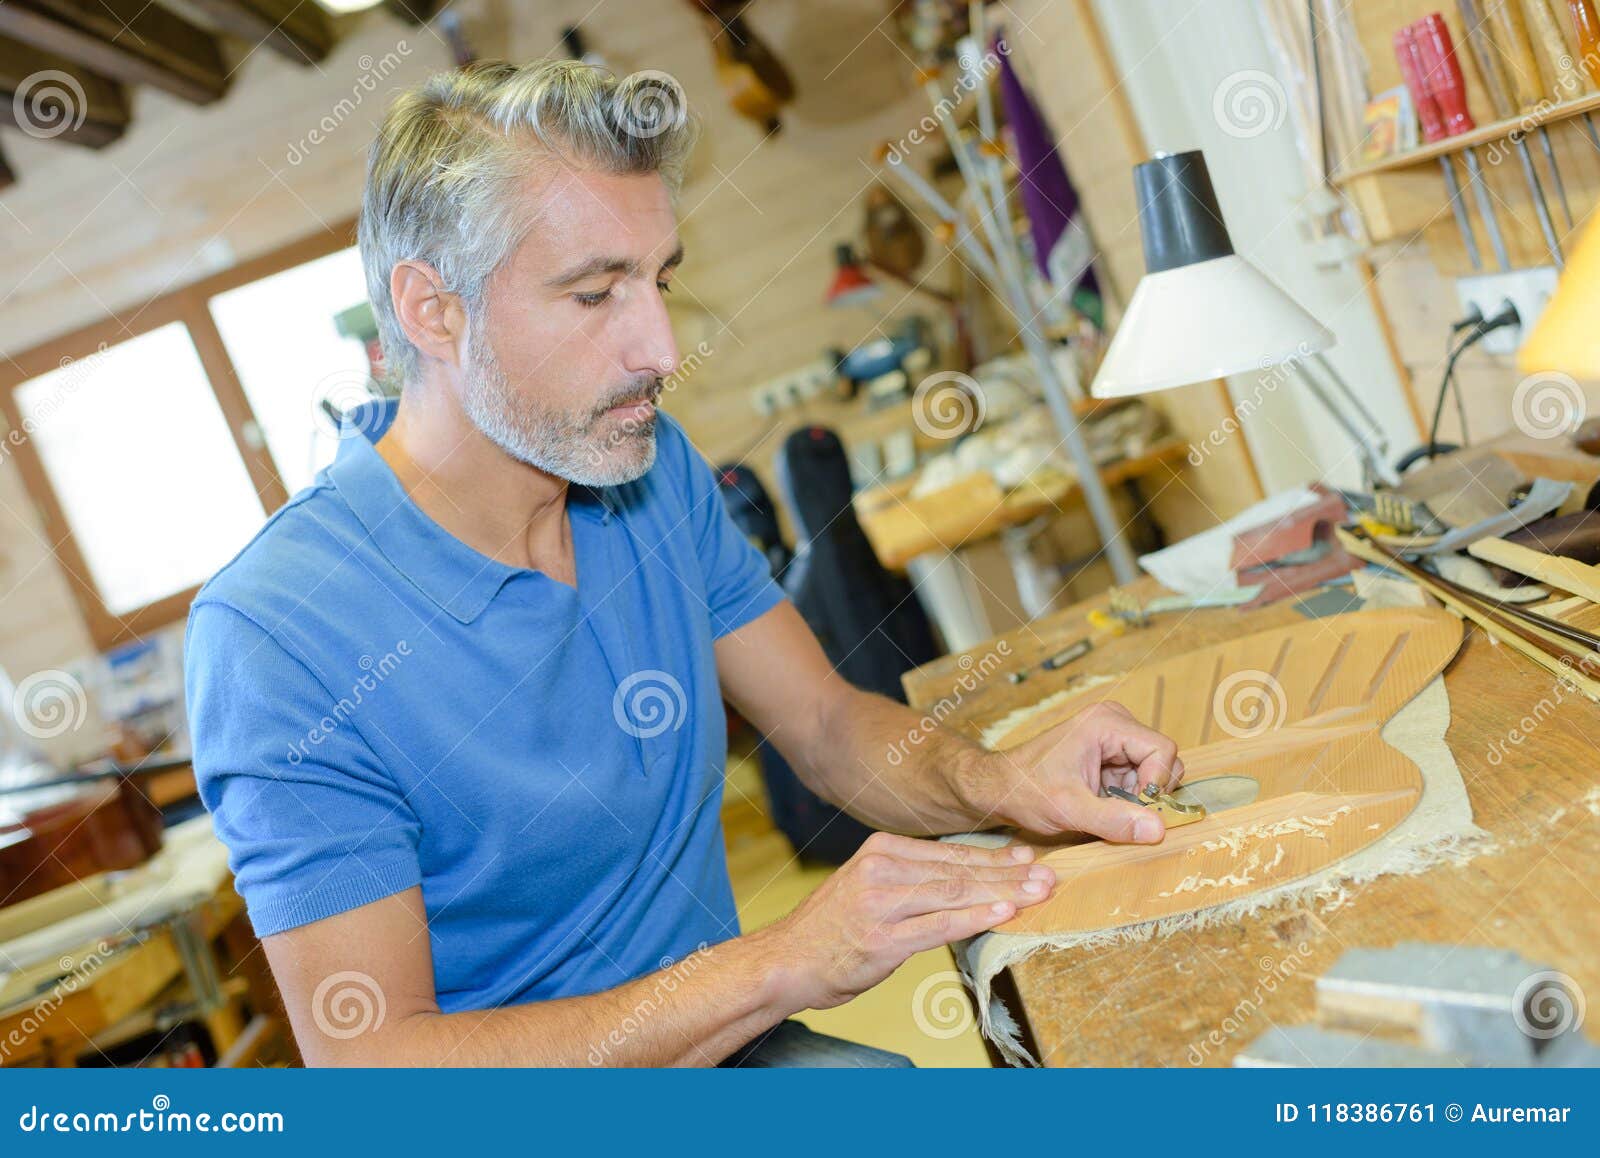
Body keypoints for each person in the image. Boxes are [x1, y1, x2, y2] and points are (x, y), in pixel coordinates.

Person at [185, 60, 1183, 1067]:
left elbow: (827, 726)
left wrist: (1003, 780)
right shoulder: (277, 635)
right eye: (594, 294)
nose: (660, 350)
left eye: (658, 280)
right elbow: (376, 1071)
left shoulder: (650, 471)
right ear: (433, 310)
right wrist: (786, 960)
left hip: (728, 1048)